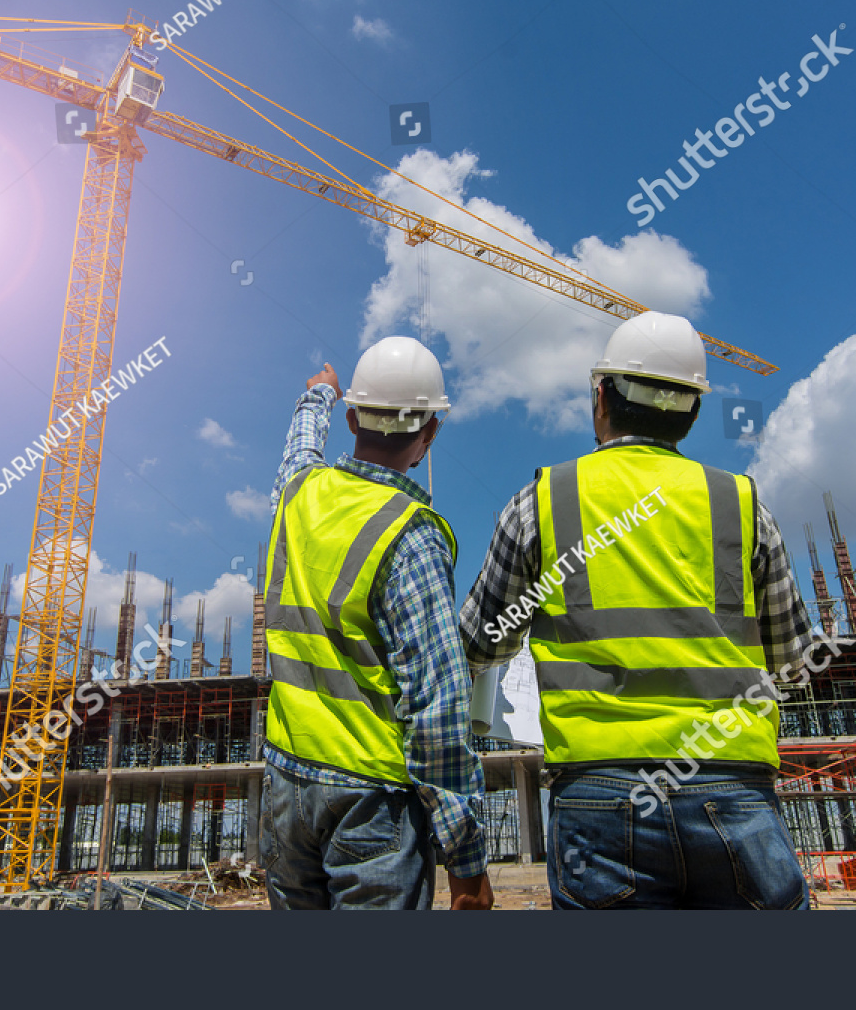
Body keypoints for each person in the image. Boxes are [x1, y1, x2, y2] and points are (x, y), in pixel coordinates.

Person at [459, 311, 818, 909]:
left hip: (599, 790)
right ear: (693, 411)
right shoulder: (741, 504)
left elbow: (478, 644)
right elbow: (793, 659)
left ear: (600, 396)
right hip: (730, 778)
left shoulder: (543, 501)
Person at [259, 336, 493, 910]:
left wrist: (318, 394)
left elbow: (300, 447)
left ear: (353, 418)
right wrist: (465, 861)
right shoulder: (412, 534)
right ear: (429, 435)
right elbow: (437, 711)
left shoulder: (299, 495)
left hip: (285, 791)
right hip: (373, 802)